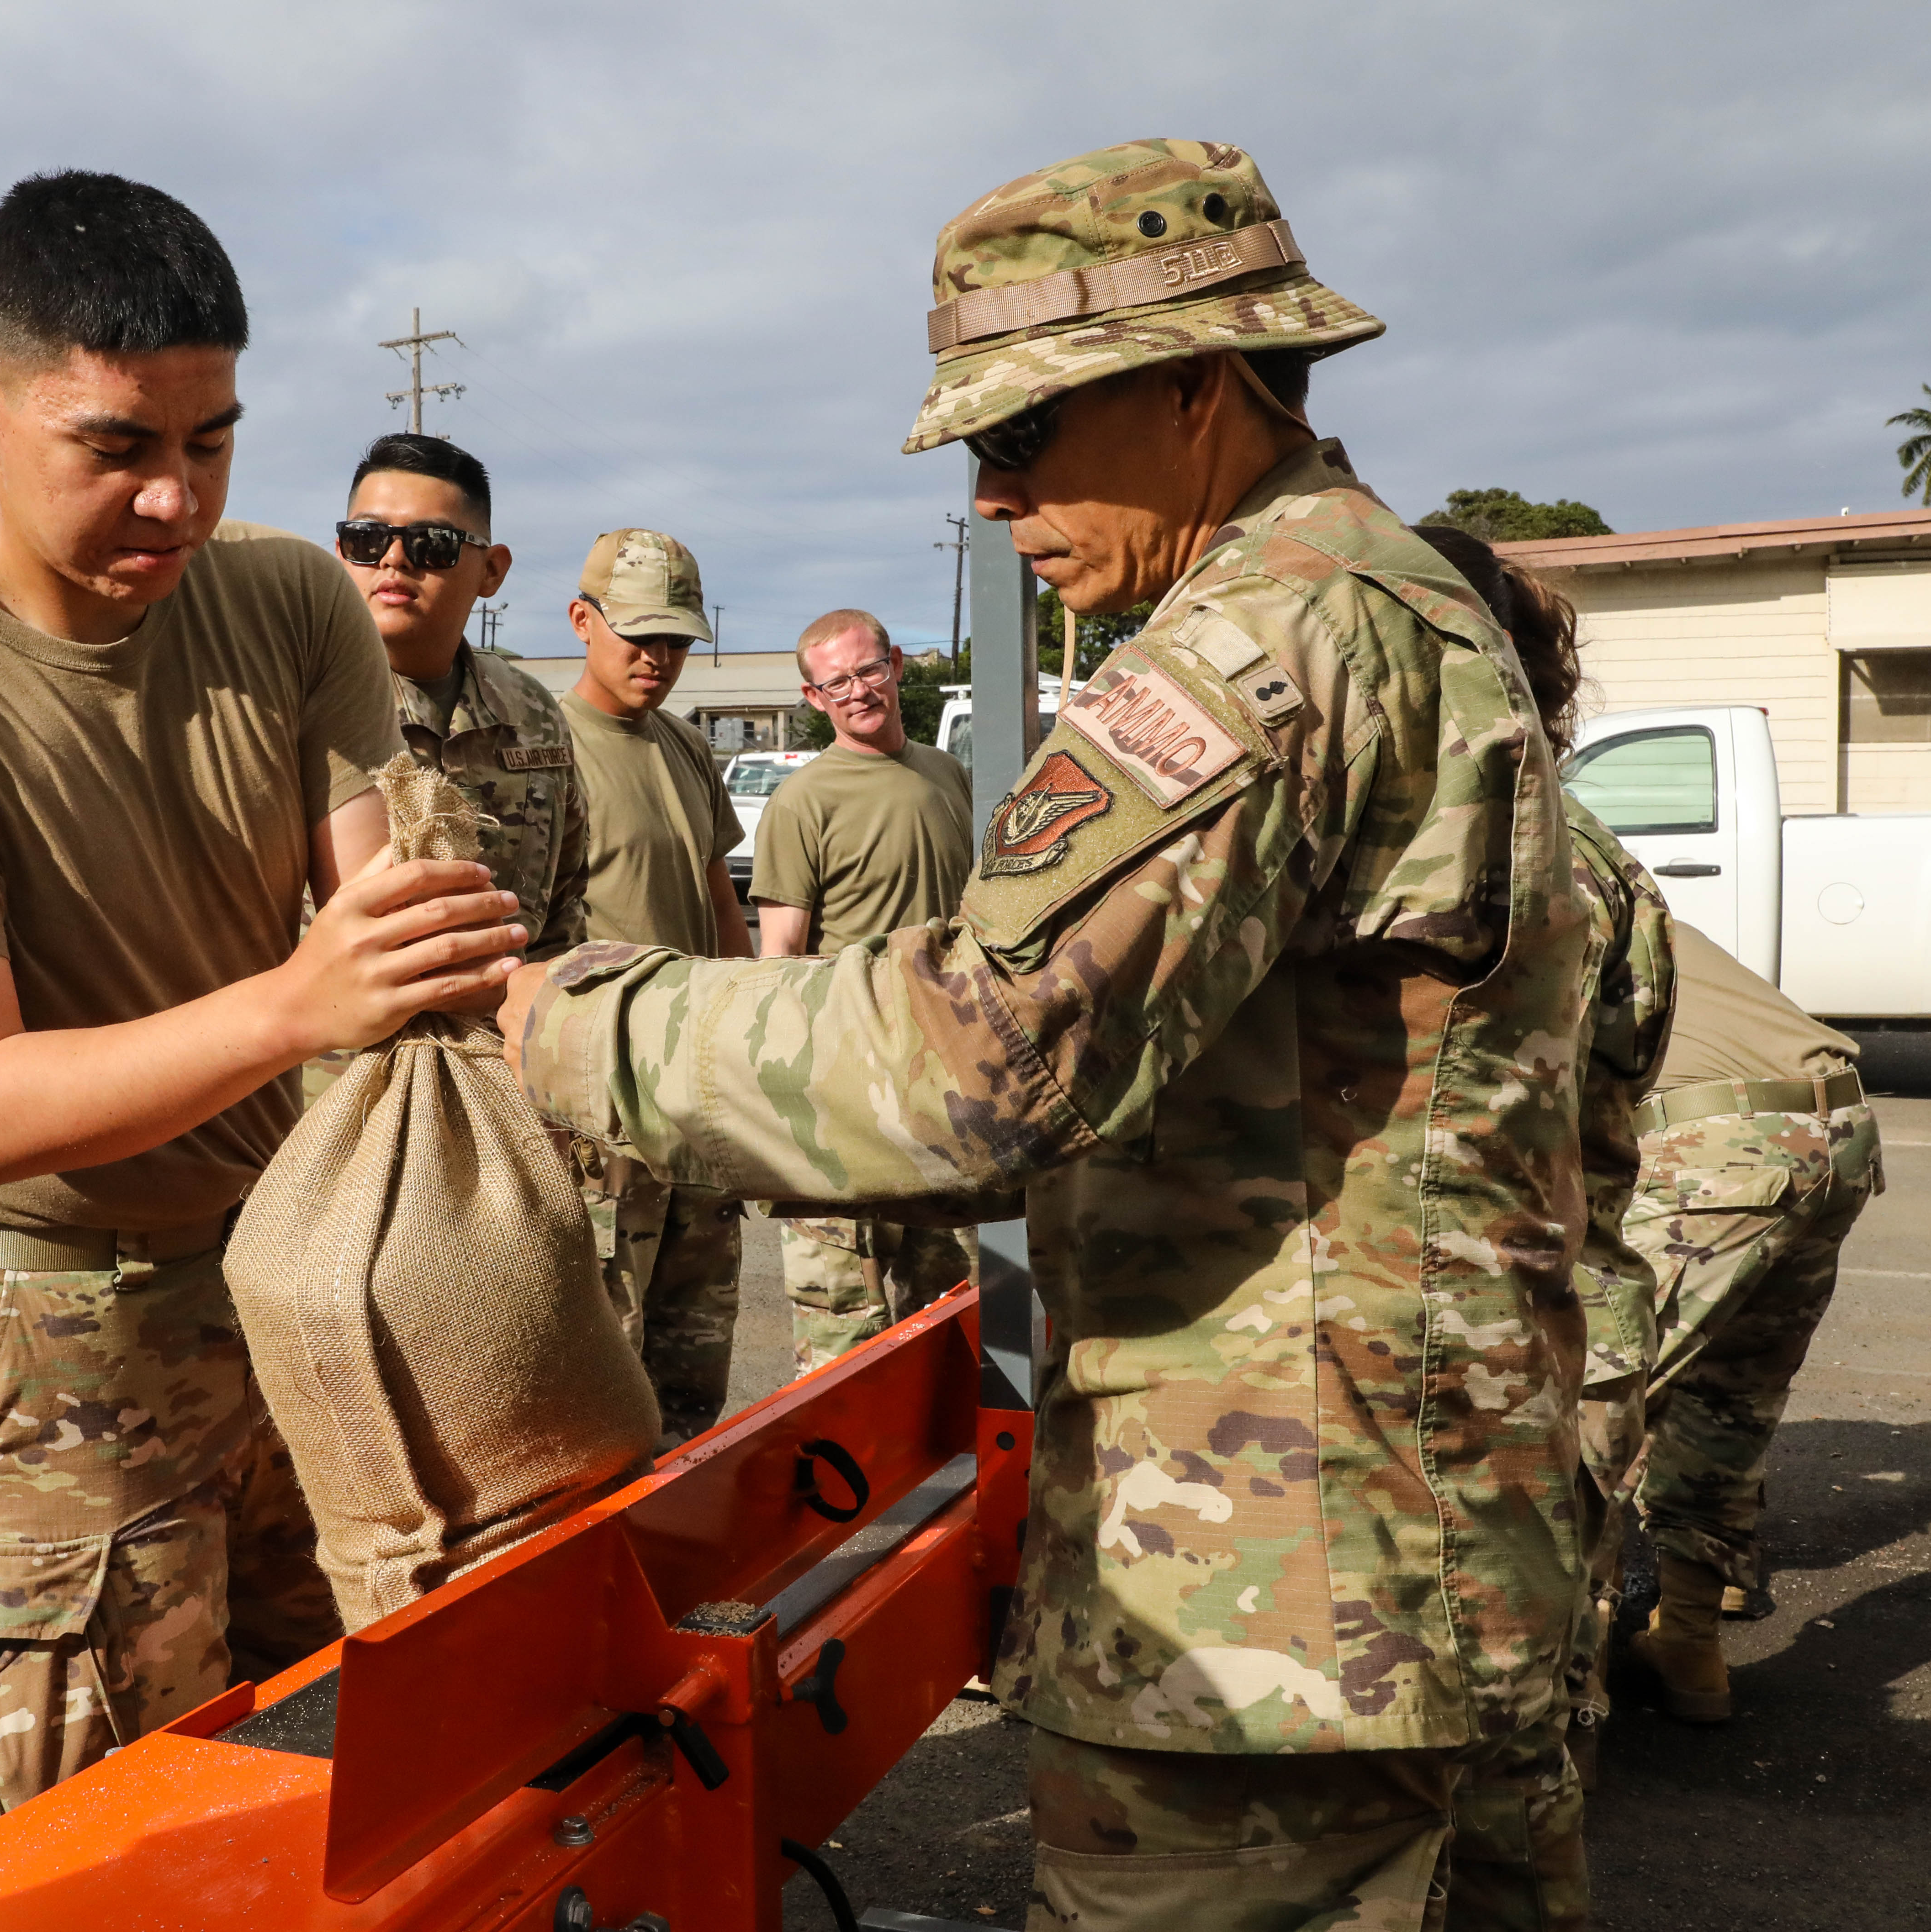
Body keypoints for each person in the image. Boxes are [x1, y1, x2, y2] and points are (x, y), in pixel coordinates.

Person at [504, 140, 1597, 1930]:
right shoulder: (1393, 604)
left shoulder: (1265, 642)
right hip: (1417, 1556)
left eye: (1021, 436)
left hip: (1270, 1618)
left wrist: (564, 1021)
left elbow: (976, 1059)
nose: (995, 495)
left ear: (1196, 387)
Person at [0, 171, 525, 1827]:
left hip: (278, 1275)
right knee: (90, 1836)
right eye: (116, 446)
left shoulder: (286, 601)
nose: (175, 501)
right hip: (45, 1331)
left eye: (211, 443)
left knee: (336, 1756)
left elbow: (383, 906)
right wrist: (296, 1005)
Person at [1416, 523, 1676, 1850]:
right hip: (1584, 1310)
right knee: (1546, 1651)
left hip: (1454, 1334)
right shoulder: (1609, 871)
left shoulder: (1417, 850)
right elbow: (1622, 1094)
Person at [1621, 921, 1882, 1723]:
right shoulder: (1633, 903)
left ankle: (1565, 1707)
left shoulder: (1524, 906)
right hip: (1836, 1133)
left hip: (1716, 1145)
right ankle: (1688, 1653)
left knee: (1591, 1410)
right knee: (1725, 1403)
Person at [561, 528, 751, 1445]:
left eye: (677, 639)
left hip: (699, 1098)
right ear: (582, 622)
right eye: (639, 635)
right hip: (605, 1111)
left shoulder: (682, 744)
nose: (660, 658)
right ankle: (609, 1573)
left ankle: (681, 1568)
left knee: (696, 1346)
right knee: (605, 1354)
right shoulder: (547, 751)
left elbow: (721, 903)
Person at [752, 607, 978, 1370]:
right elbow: (779, 957)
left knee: (949, 1294)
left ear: (897, 666)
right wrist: (780, 1093)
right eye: (836, 682)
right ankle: (835, 1479)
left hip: (943, 1077)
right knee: (840, 1310)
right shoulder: (801, 802)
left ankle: (943, 1476)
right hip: (843, 1083)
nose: (857, 692)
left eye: (868, 670)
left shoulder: (946, 775)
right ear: (813, 699)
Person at [333, 433, 588, 969]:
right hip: (342, 1047)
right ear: (342, 555)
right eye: (367, 538)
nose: (395, 559)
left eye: (432, 543)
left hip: (500, 1039)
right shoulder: (298, 703)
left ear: (491, 570)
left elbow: (563, 904)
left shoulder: (532, 711)